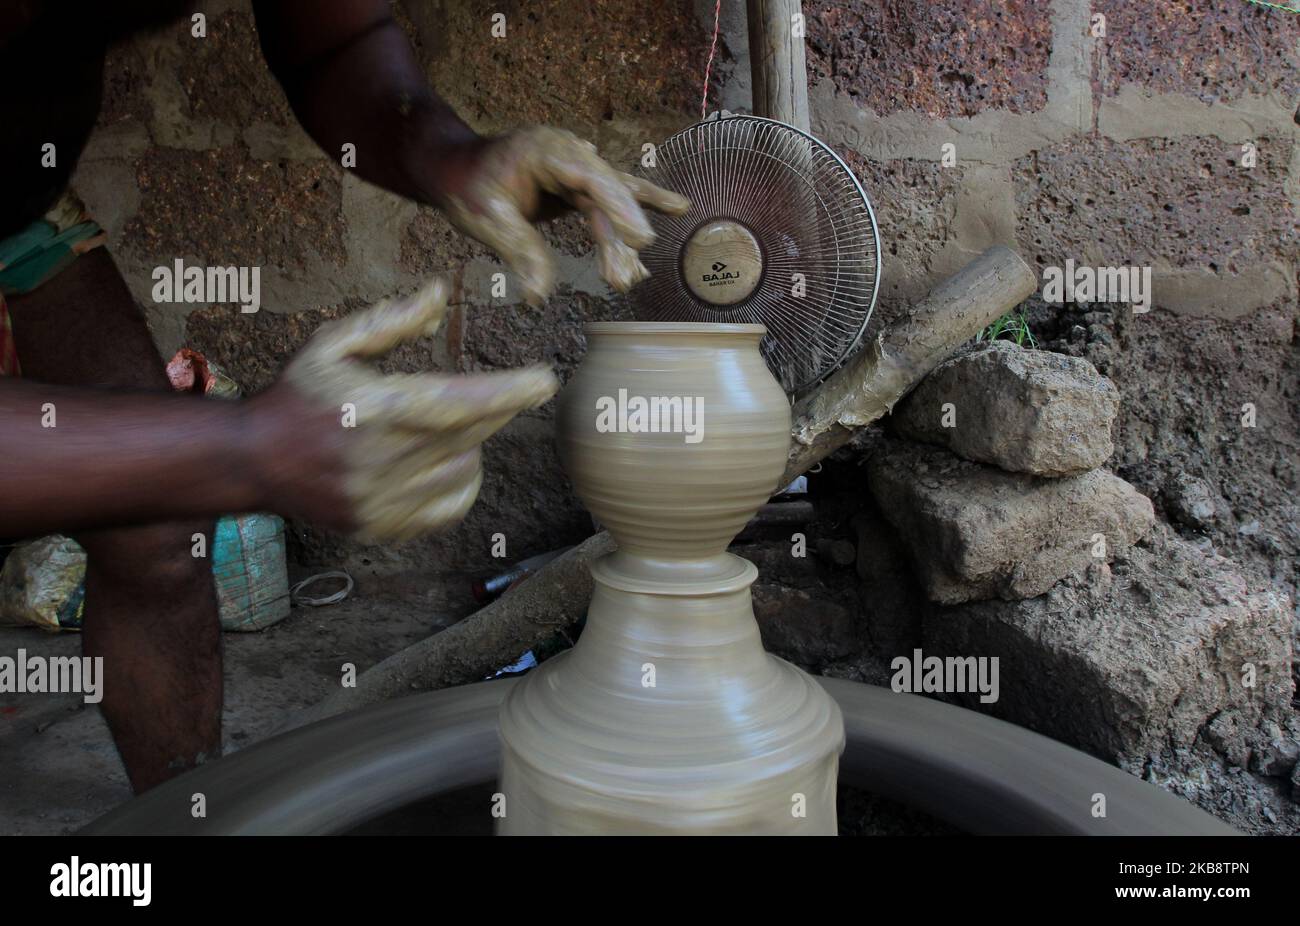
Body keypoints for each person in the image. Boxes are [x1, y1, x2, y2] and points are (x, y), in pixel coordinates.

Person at [0, 0, 689, 792]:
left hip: (22, 207)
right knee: (175, 471)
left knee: (157, 528)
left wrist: (451, 155)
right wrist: (246, 449)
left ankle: (183, 814)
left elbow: (337, 43)